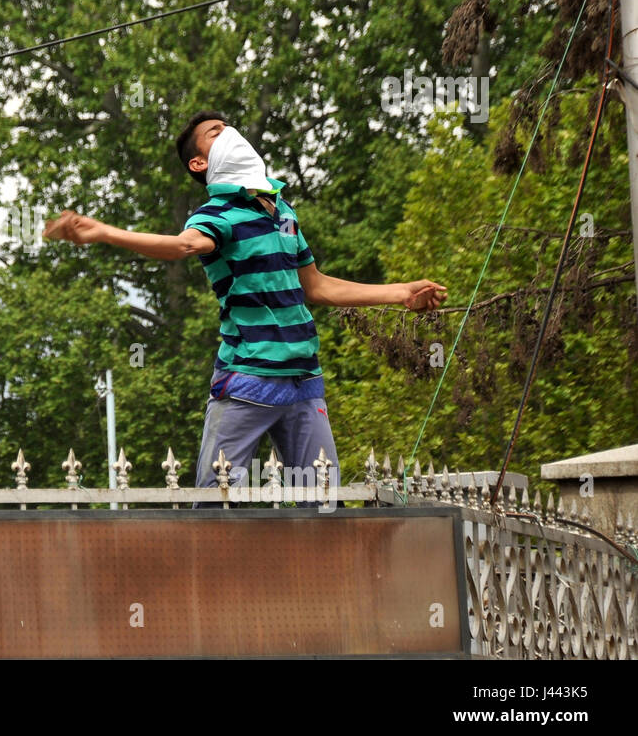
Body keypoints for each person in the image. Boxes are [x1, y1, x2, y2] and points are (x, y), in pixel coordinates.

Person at [43, 111, 446, 506]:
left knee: (323, 502)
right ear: (199, 163)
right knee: (216, 502)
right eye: (216, 132)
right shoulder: (216, 215)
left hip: (304, 381)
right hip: (248, 380)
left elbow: (317, 286)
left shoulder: (284, 213)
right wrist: (105, 233)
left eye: (229, 126)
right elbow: (184, 246)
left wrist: (401, 293)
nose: (230, 133)